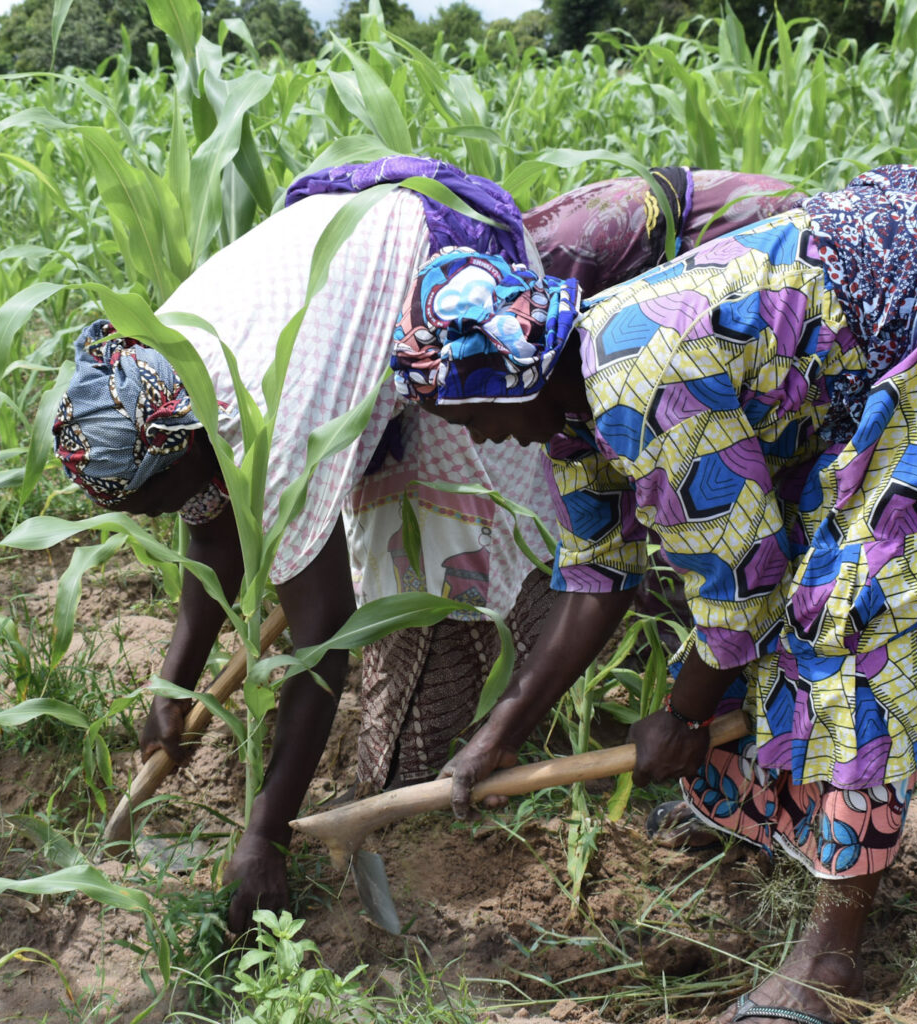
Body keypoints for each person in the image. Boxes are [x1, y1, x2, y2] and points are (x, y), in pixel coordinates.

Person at [388, 165, 917, 1024]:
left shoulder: (640, 382)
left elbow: (741, 594)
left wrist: (680, 719)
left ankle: (829, 957)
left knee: (853, 619)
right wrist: (499, 733)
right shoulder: (572, 413)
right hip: (885, 338)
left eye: (471, 415)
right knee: (796, 581)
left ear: (514, 385)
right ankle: (765, 809)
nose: (480, 434)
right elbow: (594, 574)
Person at [51, 155, 803, 934]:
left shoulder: (281, 417)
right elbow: (209, 520)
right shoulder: (155, 375)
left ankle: (744, 762)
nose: (157, 518)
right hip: (374, 287)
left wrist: (263, 833)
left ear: (188, 446)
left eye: (154, 502)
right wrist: (176, 686)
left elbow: (324, 643)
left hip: (430, 278)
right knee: (624, 519)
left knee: (643, 523)